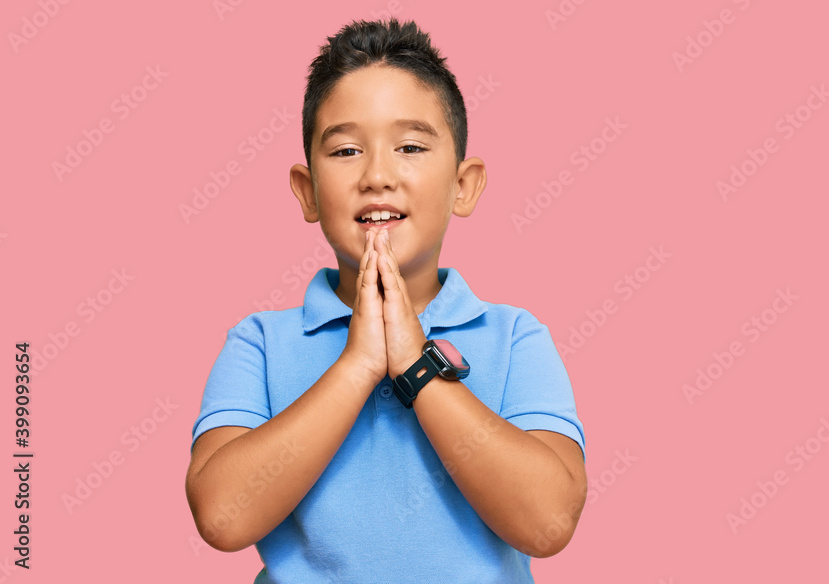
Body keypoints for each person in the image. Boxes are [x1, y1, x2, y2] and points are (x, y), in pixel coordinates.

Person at [185, 18, 586, 583]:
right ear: (308, 191)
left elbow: (548, 522)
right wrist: (358, 365)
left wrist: (416, 365)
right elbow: (222, 518)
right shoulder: (260, 343)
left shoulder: (516, 337)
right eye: (346, 150)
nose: (377, 174)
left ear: (464, 185)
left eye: (411, 146)